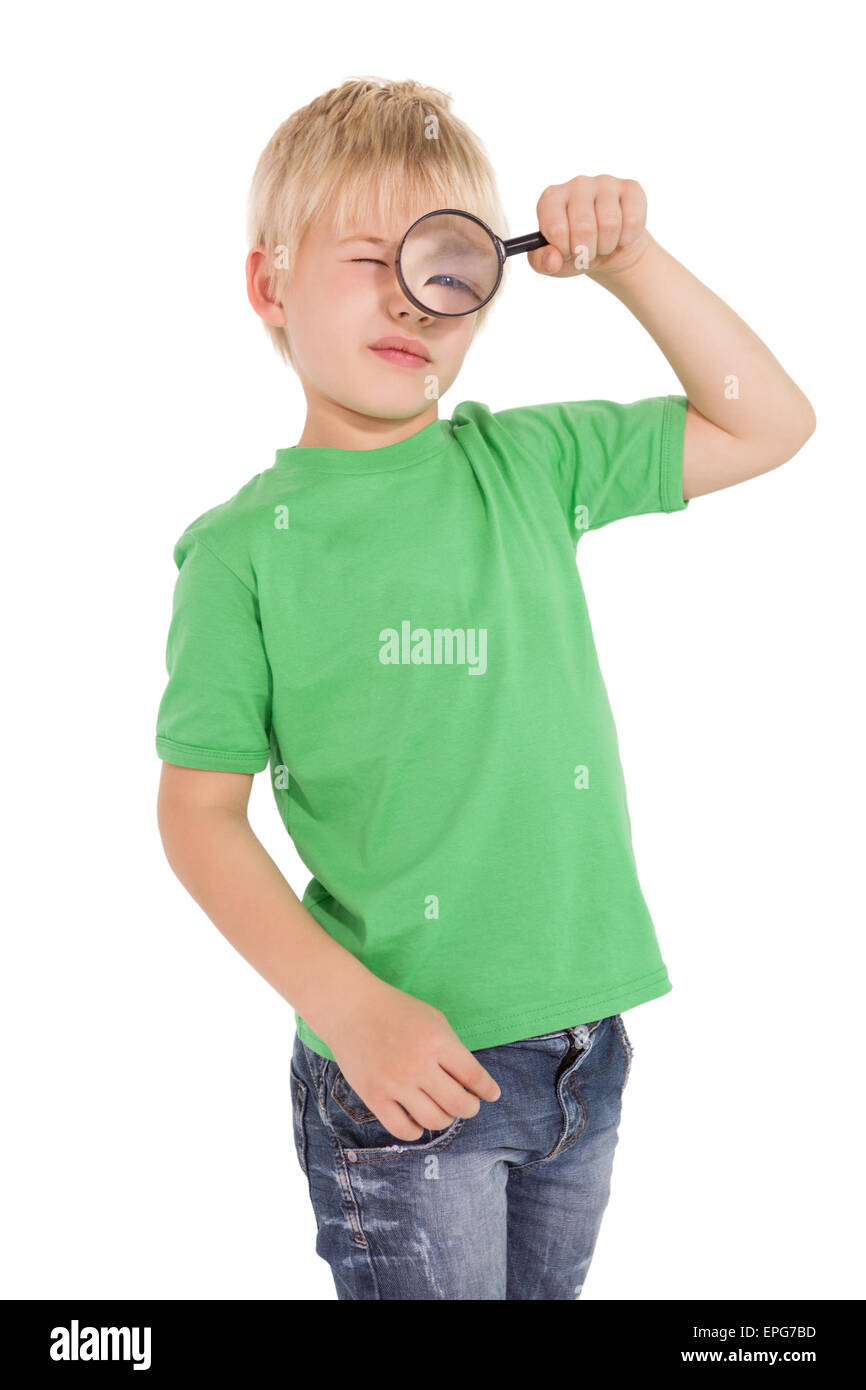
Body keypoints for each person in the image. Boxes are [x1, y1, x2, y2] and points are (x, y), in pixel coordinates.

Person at [155, 77, 815, 1300]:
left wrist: (631, 263)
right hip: (407, 1068)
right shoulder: (243, 549)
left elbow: (767, 423)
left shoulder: (530, 461)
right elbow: (196, 814)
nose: (414, 296)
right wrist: (350, 1012)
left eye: (452, 267)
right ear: (270, 287)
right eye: (370, 258)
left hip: (585, 1045)